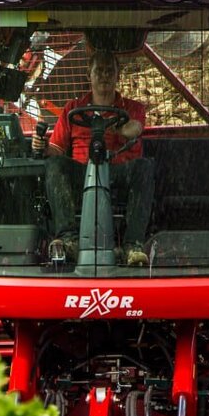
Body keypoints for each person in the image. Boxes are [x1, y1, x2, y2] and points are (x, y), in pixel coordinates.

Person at [31, 49, 155, 266]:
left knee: (144, 167)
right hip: (82, 173)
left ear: (118, 75)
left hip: (120, 173)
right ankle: (69, 239)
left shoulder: (133, 109)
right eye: (99, 71)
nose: (105, 76)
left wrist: (118, 128)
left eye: (110, 71)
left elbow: (135, 128)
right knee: (54, 165)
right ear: (89, 75)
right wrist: (41, 146)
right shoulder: (73, 108)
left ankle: (132, 245)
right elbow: (57, 149)